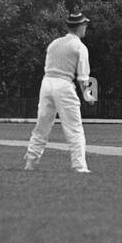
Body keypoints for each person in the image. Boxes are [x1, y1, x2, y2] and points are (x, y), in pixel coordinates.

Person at [23, 10, 94, 174]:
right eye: (85, 25)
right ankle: (79, 165)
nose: (86, 28)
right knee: (74, 128)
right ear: (80, 26)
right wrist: (87, 95)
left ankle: (31, 162)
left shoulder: (54, 43)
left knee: (42, 125)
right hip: (64, 85)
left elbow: (48, 67)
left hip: (47, 83)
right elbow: (83, 77)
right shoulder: (80, 47)